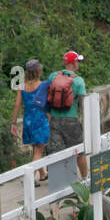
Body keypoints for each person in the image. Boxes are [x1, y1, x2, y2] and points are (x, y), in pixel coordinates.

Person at [45, 51, 87, 179]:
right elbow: (83, 103)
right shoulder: (79, 81)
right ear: (73, 63)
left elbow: (47, 97)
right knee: (80, 152)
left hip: (55, 120)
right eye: (77, 61)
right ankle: (85, 178)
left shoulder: (53, 77)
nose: (78, 64)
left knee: (56, 152)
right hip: (72, 120)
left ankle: (59, 182)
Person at [11, 60, 49, 182]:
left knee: (36, 148)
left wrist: (13, 122)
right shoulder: (42, 85)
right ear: (38, 71)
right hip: (40, 120)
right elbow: (46, 105)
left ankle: (43, 174)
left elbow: (17, 105)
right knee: (39, 149)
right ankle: (30, 179)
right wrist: (50, 119)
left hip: (28, 120)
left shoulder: (21, 86)